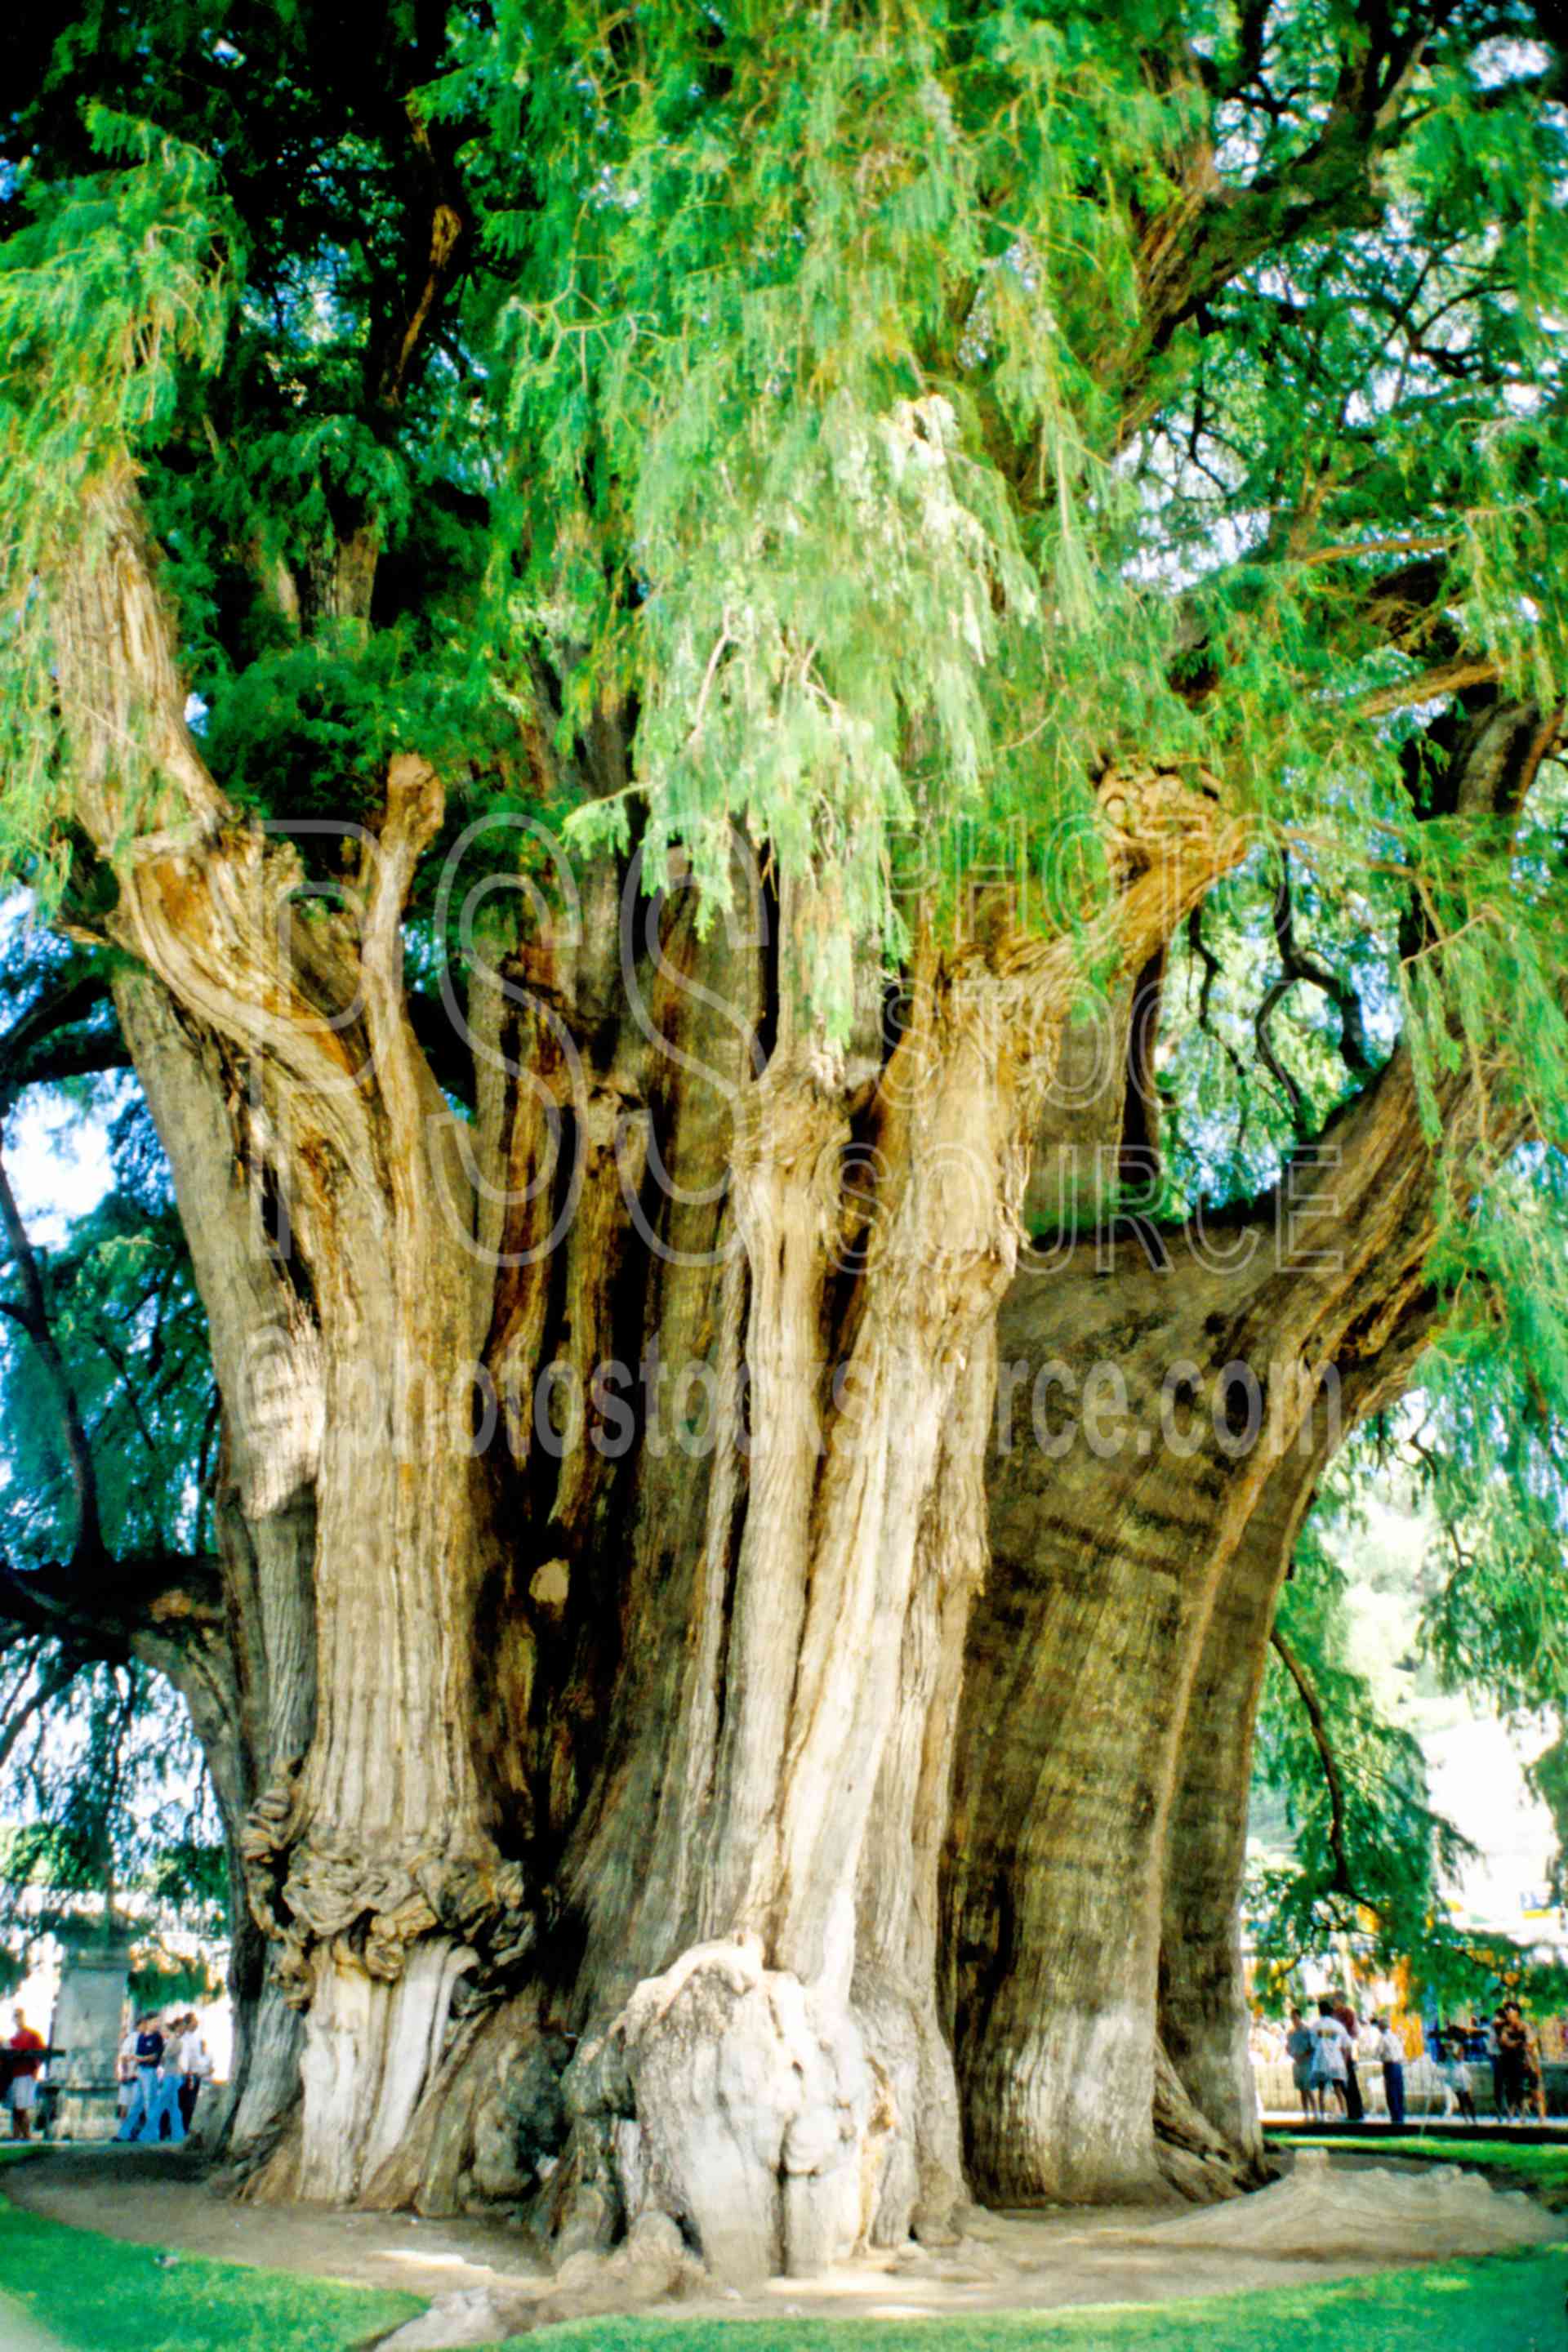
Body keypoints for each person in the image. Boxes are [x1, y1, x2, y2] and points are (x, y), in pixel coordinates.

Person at [116, 2013, 165, 2142]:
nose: (157, 2024)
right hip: (141, 2072)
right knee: (135, 2104)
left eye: (158, 2021)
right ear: (147, 2022)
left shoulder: (157, 2038)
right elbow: (138, 2055)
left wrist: (138, 2058)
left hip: (150, 2072)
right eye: (155, 2021)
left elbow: (154, 2056)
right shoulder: (141, 2037)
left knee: (150, 2103)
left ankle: (152, 2134)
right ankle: (124, 2134)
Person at [6, 2011, 45, 2142]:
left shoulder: (33, 2035)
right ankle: (16, 2135)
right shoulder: (14, 2038)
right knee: (15, 2107)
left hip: (26, 2075)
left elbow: (41, 2053)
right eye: (15, 2017)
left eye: (20, 2017)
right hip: (14, 2075)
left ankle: (27, 2135)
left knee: (22, 2107)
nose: (18, 2019)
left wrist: (35, 2070)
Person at [1309, 1998, 1352, 2118]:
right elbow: (1347, 2043)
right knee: (1338, 2088)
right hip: (1335, 2060)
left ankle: (1321, 2114)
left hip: (1321, 2061)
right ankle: (1343, 2113)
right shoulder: (1338, 2026)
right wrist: (1345, 2059)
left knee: (1321, 2089)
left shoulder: (1315, 2026)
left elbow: (1313, 2044)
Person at [176, 2014, 212, 2133]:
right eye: (195, 2021)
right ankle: (183, 2129)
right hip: (189, 2076)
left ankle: (183, 2128)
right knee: (187, 2104)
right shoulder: (185, 2039)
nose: (197, 2023)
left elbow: (197, 2059)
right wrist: (191, 2073)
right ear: (188, 2023)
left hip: (195, 2075)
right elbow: (188, 2060)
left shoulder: (194, 2039)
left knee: (188, 2104)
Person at [1331, 1993, 1365, 2123]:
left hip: (1347, 2051)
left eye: (1336, 2000)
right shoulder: (1334, 2014)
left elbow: (1352, 2033)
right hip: (1337, 2053)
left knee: (1351, 2083)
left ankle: (1357, 2111)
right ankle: (1351, 2111)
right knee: (1342, 2085)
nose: (1335, 2003)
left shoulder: (1348, 2013)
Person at [1497, 2002, 1530, 2123]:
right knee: (1510, 2088)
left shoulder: (1523, 2026)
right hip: (1508, 2060)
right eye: (1507, 2011)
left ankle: (1522, 2115)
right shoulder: (1505, 2028)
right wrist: (1514, 2044)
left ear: (1517, 2012)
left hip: (1520, 2060)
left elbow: (1528, 2042)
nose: (1508, 2013)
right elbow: (1503, 2041)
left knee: (1521, 2088)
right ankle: (1510, 2114)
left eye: (1510, 2011)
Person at [1439, 2020, 1479, 2123]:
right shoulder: (1447, 2045)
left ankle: (1474, 2118)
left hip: (1460, 2072)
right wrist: (1445, 2050)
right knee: (1459, 2097)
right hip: (1451, 2072)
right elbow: (1443, 2058)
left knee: (1467, 2096)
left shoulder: (1459, 2045)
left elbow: (1460, 2058)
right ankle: (1465, 2118)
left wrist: (1453, 2051)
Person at [1374, 2015, 1406, 2129]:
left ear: (1381, 2027)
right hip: (1398, 2065)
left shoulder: (1383, 2038)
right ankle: (1401, 2116)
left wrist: (1380, 2056)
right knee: (1399, 2090)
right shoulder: (1395, 2037)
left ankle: (1395, 2118)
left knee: (1391, 2092)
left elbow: (1377, 2053)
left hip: (1389, 2065)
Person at [1286, 2007, 1317, 2119]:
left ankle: (1315, 2113)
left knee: (1308, 2088)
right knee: (1302, 2090)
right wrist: (1293, 2055)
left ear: (1300, 2017)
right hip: (1297, 2063)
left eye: (1295, 2017)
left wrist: (1304, 2056)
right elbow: (1288, 2048)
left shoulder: (1307, 2031)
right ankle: (1306, 2114)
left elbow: (1313, 2047)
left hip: (1306, 2063)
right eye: (1292, 2018)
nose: (1294, 2020)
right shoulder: (1290, 2033)